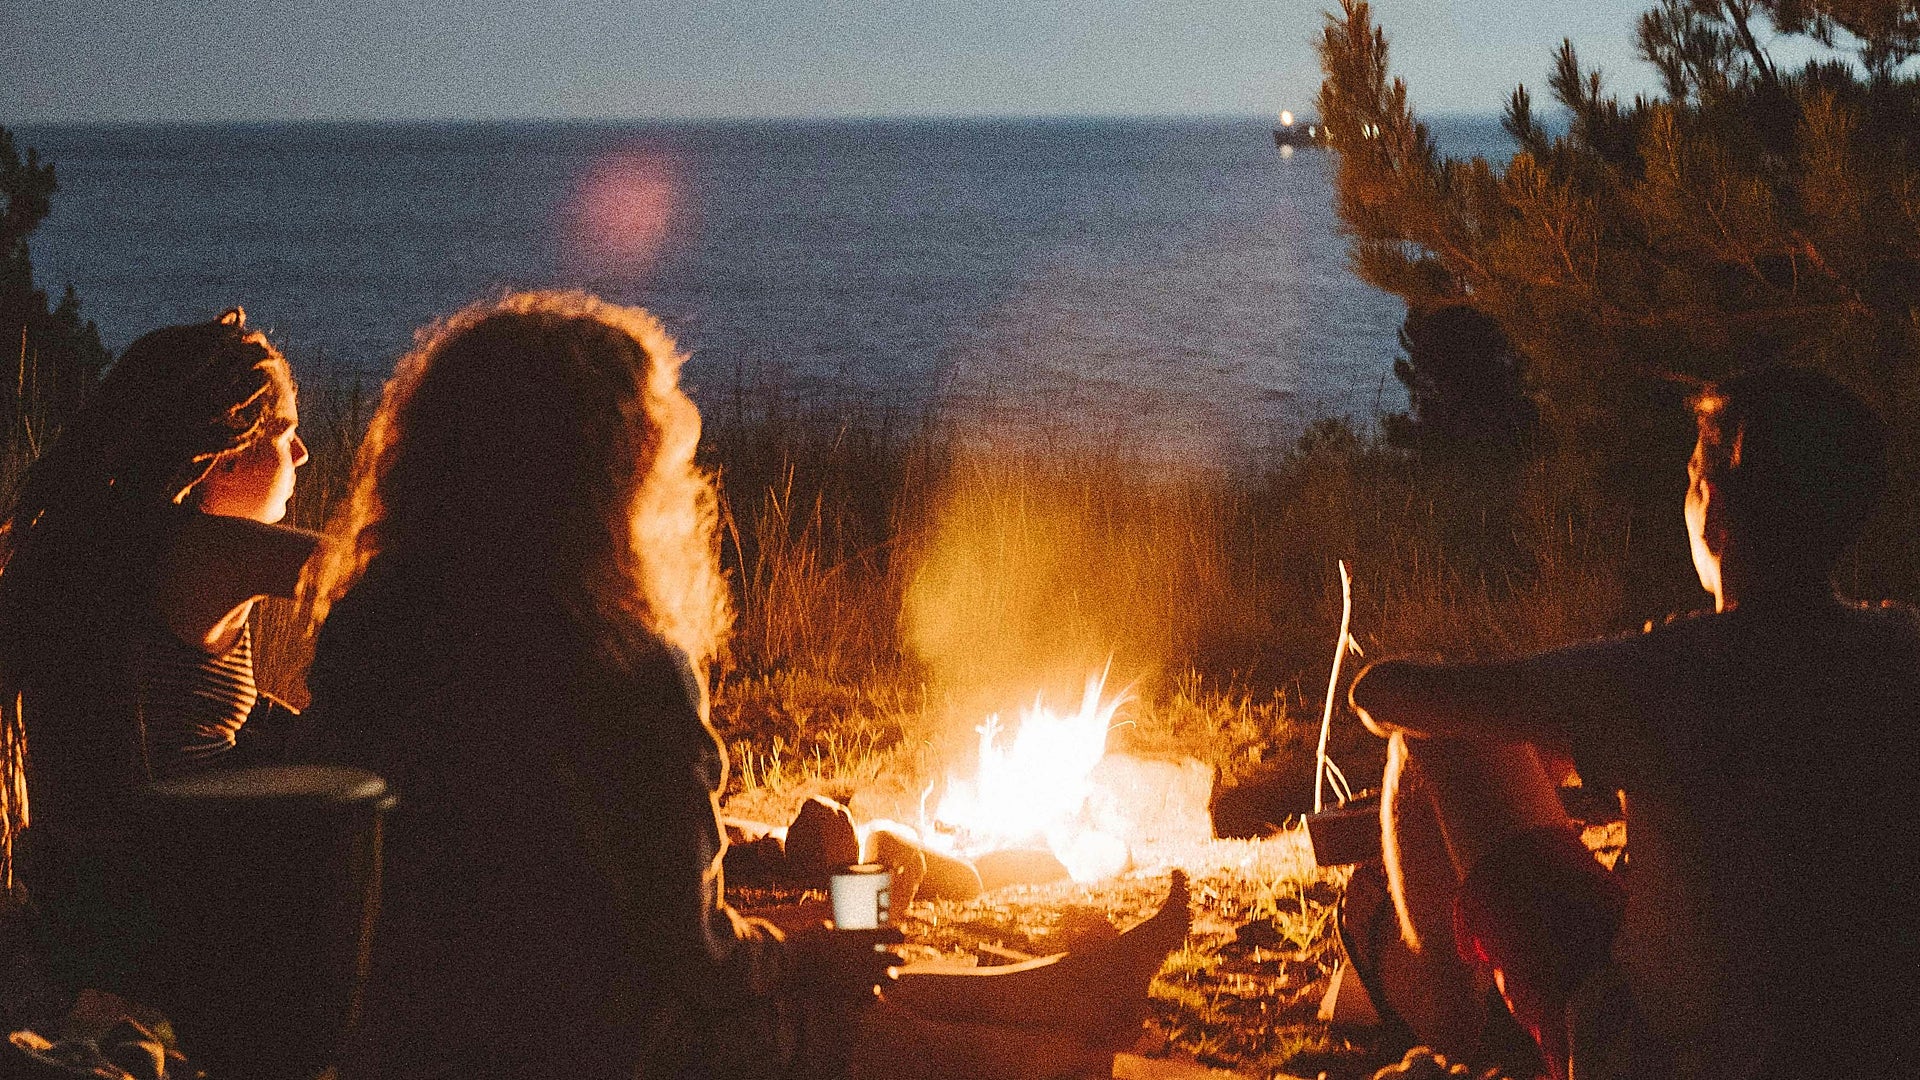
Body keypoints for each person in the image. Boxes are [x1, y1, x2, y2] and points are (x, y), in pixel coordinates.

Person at [299, 291, 1189, 1080]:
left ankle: (1061, 988)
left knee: (826, 976)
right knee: (894, 1033)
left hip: (417, 1035)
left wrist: (797, 951)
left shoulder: (369, 635)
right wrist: (803, 956)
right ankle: (1060, 1046)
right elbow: (694, 961)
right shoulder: (622, 671)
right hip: (602, 1048)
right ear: (610, 477)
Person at [1347, 368, 1920, 1080]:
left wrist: (1552, 730)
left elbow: (1384, 694)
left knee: (1438, 740)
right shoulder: (1903, 646)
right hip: (1882, 1051)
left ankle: (1457, 1023)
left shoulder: (1670, 670)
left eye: (1691, 479)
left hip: (1665, 1057)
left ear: (1714, 510)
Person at [0, 309, 317, 983]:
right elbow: (382, 581)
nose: (301, 456)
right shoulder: (196, 550)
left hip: (95, 898)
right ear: (223, 452)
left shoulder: (96, 545)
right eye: (284, 433)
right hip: (169, 907)